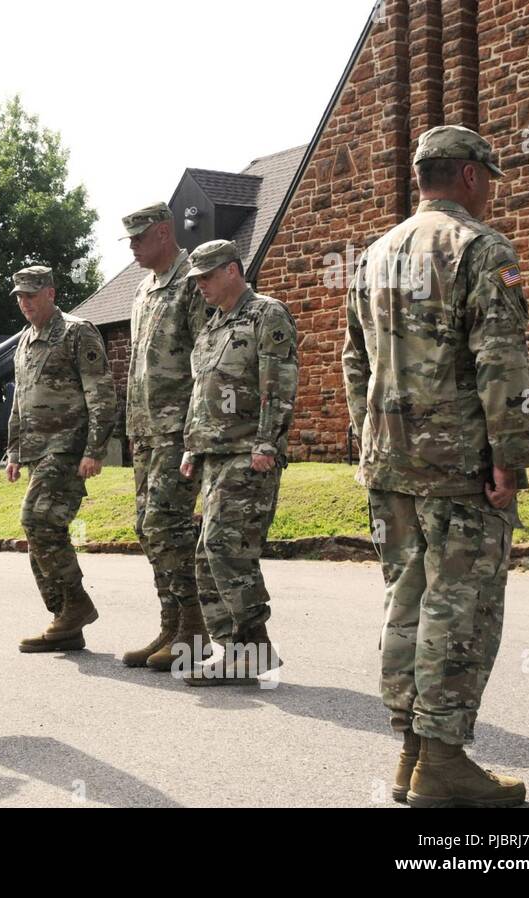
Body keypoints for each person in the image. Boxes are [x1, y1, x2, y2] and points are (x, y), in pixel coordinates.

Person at [343, 125, 529, 808]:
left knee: (408, 603)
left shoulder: (371, 255)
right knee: (460, 610)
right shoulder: (482, 250)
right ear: (472, 177)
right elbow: (501, 363)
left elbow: (353, 361)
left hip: (389, 464)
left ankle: (411, 754)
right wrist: (510, 457)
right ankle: (444, 762)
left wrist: (370, 438)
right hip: (458, 469)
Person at [179, 240, 298, 685]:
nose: (201, 286)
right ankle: (233, 649)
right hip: (213, 454)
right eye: (196, 279)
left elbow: (279, 382)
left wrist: (268, 442)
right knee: (207, 552)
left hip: (249, 452)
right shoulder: (213, 327)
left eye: (207, 277)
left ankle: (253, 647)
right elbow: (202, 392)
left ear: (233, 270)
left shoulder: (268, 314)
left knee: (227, 548)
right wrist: (192, 447)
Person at [118, 203, 214, 669]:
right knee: (146, 527)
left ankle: (195, 628)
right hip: (146, 429)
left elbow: (206, 360)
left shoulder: (191, 282)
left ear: (163, 232)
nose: (133, 248)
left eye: (138, 239)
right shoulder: (142, 290)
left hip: (178, 429)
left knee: (167, 523)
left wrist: (196, 432)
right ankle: (172, 622)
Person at [6, 265, 116, 654]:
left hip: (67, 448)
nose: (25, 303)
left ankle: (76, 605)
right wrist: (14, 451)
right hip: (37, 452)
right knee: (39, 529)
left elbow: (101, 393)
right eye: (20, 296)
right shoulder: (24, 339)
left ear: (51, 294)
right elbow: (20, 399)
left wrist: (94, 449)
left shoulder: (76, 332)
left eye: (32, 295)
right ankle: (64, 617)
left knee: (36, 519)